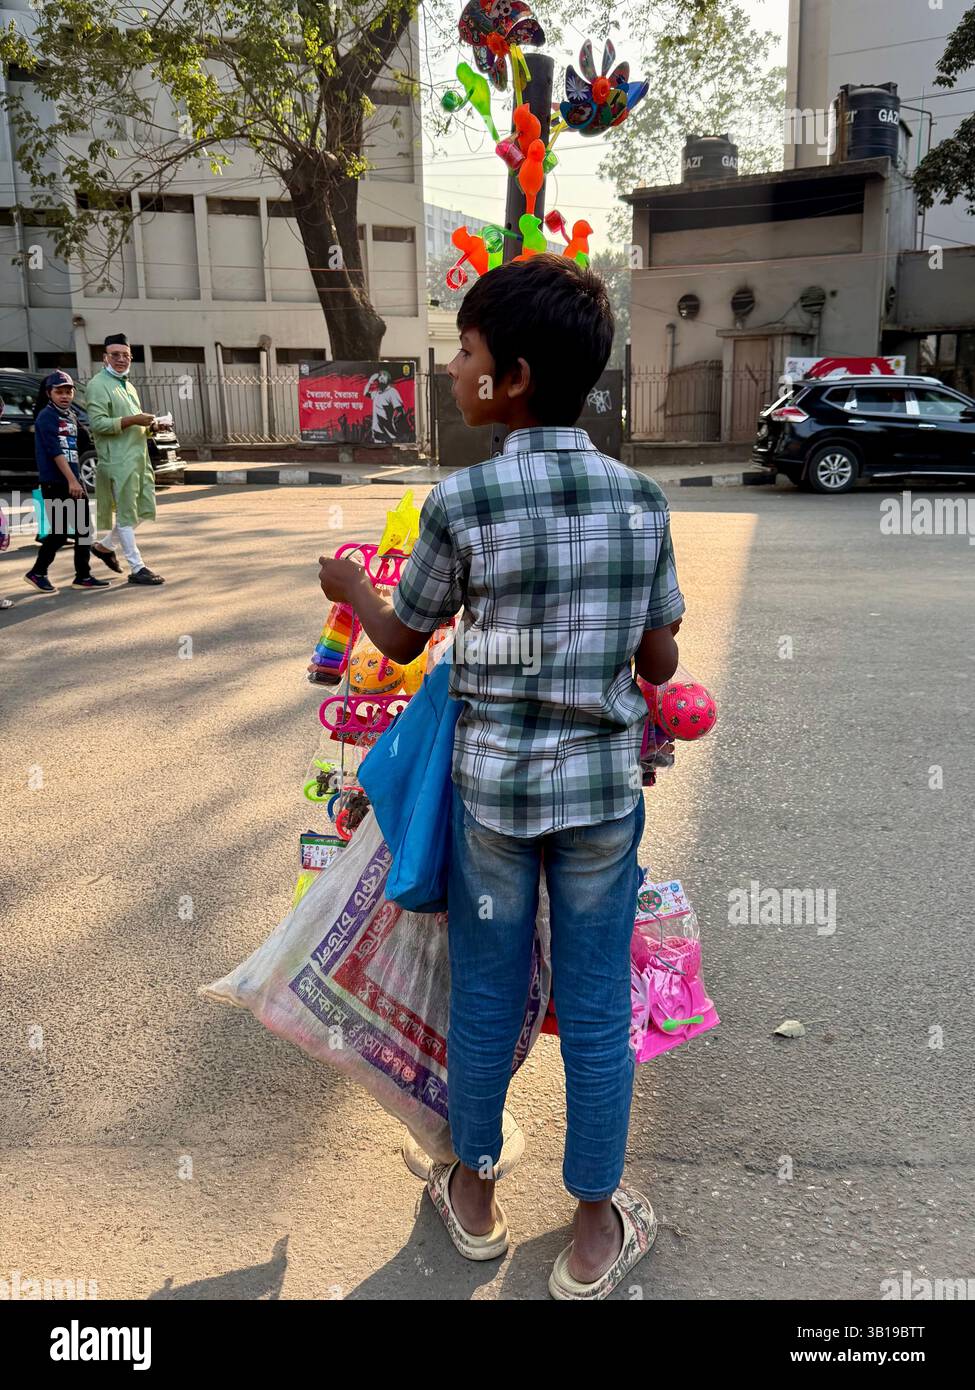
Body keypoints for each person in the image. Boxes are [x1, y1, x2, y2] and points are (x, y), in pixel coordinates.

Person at [318, 254, 685, 1300]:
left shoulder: (462, 501)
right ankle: (590, 1229)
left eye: (466, 353)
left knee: (486, 992)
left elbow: (402, 637)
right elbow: (657, 662)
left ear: (511, 375)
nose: (452, 369)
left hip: (492, 798)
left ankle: (473, 1199)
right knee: (596, 999)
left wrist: (350, 584)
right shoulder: (641, 499)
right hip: (601, 802)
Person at [85, 333, 165, 586]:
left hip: (138, 458)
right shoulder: (98, 385)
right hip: (117, 461)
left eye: (126, 355)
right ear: (105, 357)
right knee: (128, 513)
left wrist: (153, 427)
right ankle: (137, 566)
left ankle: (104, 547)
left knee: (141, 508)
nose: (121, 360)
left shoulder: (127, 385)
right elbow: (97, 424)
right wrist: (134, 419)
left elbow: (135, 425)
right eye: (115, 355)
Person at [23, 371, 110, 595]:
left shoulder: (68, 415)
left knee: (83, 530)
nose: (64, 395)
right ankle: (37, 572)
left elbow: (81, 443)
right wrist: (72, 480)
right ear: (48, 393)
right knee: (61, 532)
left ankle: (83, 575)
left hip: (74, 481)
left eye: (68, 391)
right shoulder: (46, 416)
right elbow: (55, 452)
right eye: (59, 391)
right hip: (56, 482)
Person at [362, 369, 406, 443]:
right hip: (377, 435)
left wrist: (391, 423)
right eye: (380, 376)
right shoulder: (376, 393)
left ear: (388, 379)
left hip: (388, 436)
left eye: (384, 375)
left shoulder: (392, 392)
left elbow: (401, 412)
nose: (381, 377)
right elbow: (365, 393)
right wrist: (370, 381)